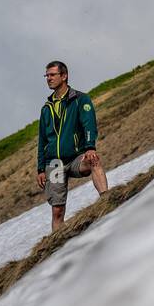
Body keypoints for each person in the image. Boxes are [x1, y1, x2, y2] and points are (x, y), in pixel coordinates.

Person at [36, 60, 108, 231]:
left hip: (76, 157)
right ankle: (59, 245)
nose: (48, 78)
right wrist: (40, 169)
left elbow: (89, 124)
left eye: (52, 75)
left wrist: (90, 147)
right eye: (47, 75)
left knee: (93, 160)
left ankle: (107, 200)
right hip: (53, 164)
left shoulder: (80, 99)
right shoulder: (46, 109)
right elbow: (42, 141)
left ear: (64, 76)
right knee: (57, 211)